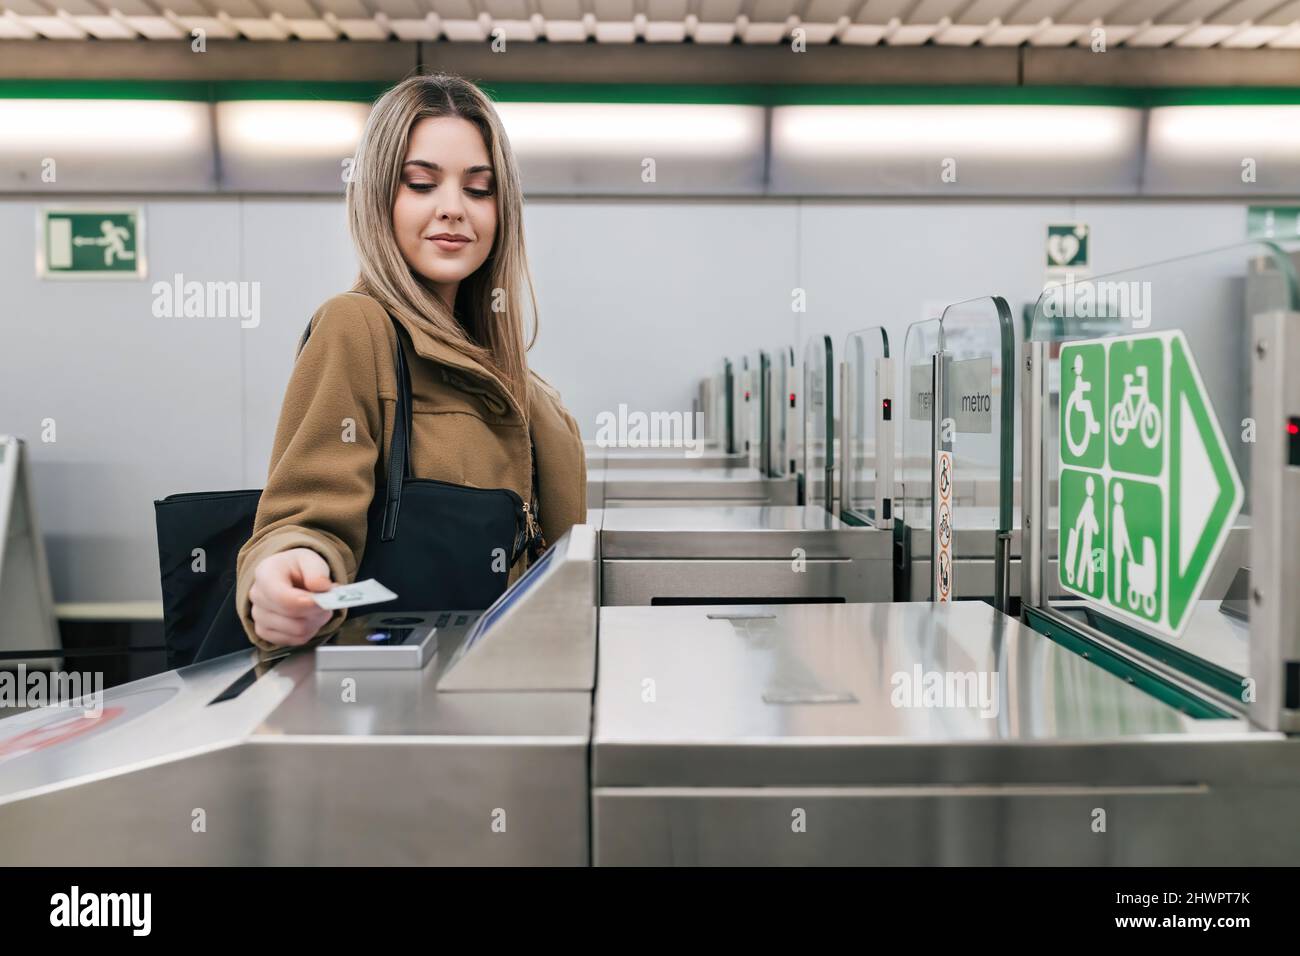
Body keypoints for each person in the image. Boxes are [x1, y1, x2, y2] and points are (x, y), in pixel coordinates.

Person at [234, 74, 587, 649]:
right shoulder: (357, 328)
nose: (453, 210)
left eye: (479, 190)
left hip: (511, 694)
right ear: (378, 197)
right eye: (421, 184)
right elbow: (304, 518)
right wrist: (284, 572)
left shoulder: (523, 388)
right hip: (393, 710)